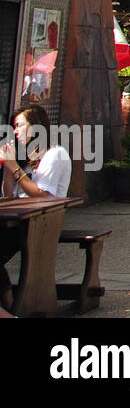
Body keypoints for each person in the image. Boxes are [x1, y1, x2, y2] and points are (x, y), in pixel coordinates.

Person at [0, 104, 74, 310]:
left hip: (40, 221)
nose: (15, 131)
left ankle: (11, 305)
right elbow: (9, 195)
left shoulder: (54, 154)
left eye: (20, 125)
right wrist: (9, 167)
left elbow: (42, 194)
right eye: (14, 127)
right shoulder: (25, 157)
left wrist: (14, 168)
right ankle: (8, 303)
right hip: (17, 219)